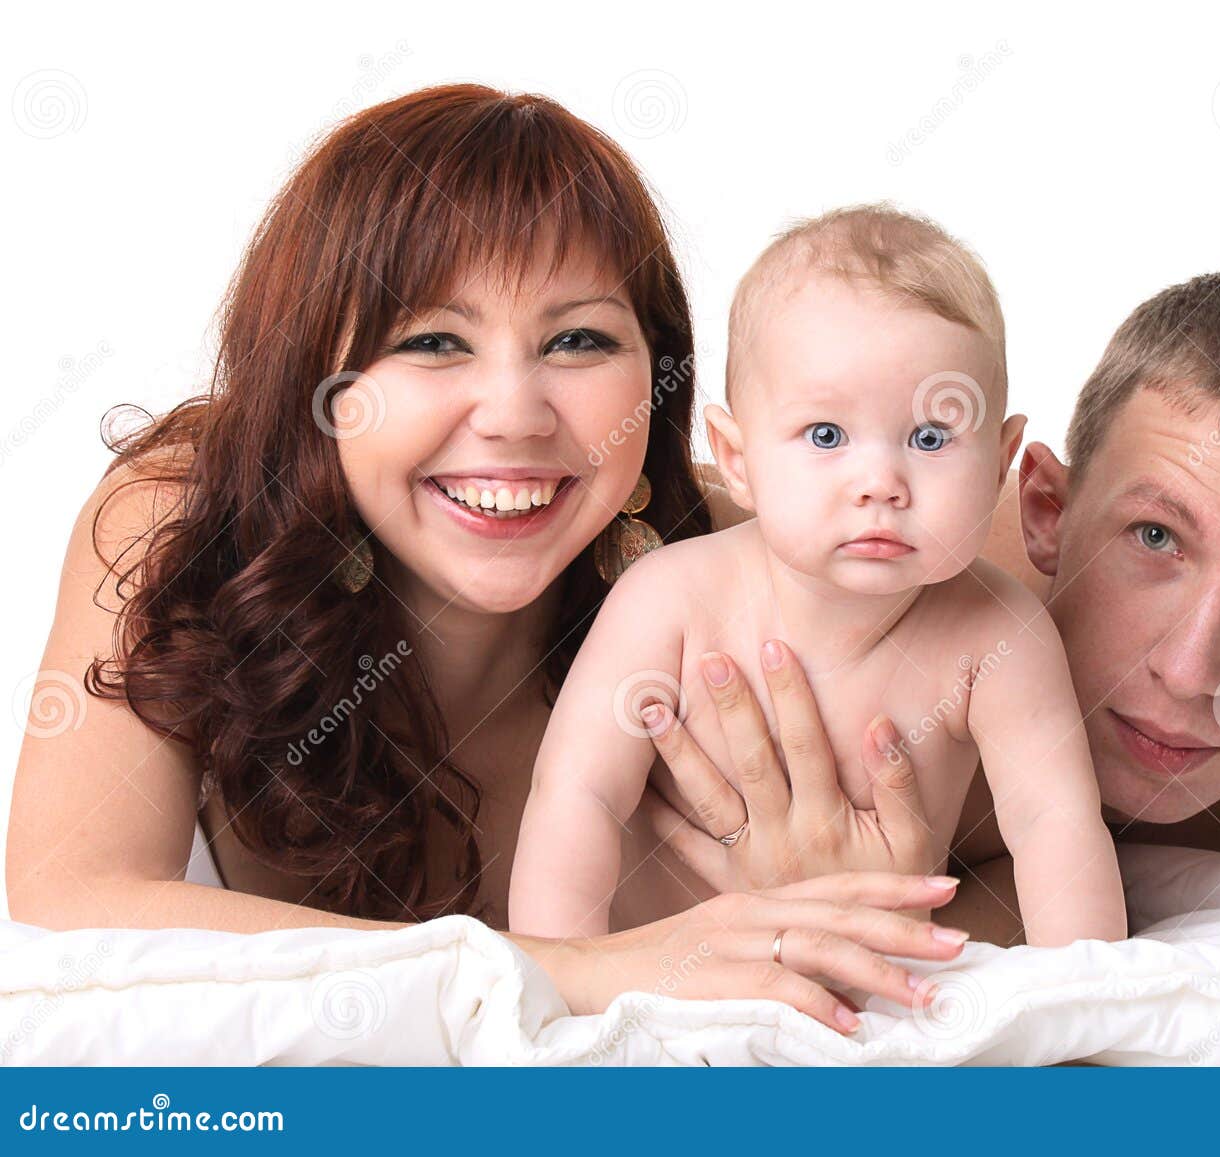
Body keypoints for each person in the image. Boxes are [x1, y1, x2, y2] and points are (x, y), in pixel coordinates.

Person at [4, 84, 972, 1037]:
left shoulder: (767, 559)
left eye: (578, 339)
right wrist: (565, 968)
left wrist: (870, 920)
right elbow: (70, 893)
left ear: (663, 380)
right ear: (316, 383)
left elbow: (1030, 845)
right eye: (432, 341)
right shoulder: (185, 515)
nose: (513, 414)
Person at [638, 266, 1220, 945]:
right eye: (1155, 538)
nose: (1189, 672)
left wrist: (914, 919)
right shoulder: (834, 560)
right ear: (1045, 511)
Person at [508, 205, 1125, 947]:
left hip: (868, 985)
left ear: (999, 461)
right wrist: (562, 975)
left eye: (931, 437)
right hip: (661, 978)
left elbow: (1054, 822)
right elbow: (577, 794)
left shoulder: (1001, 633)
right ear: (737, 459)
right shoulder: (670, 598)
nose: (880, 483)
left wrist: (1085, 993)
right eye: (826, 435)